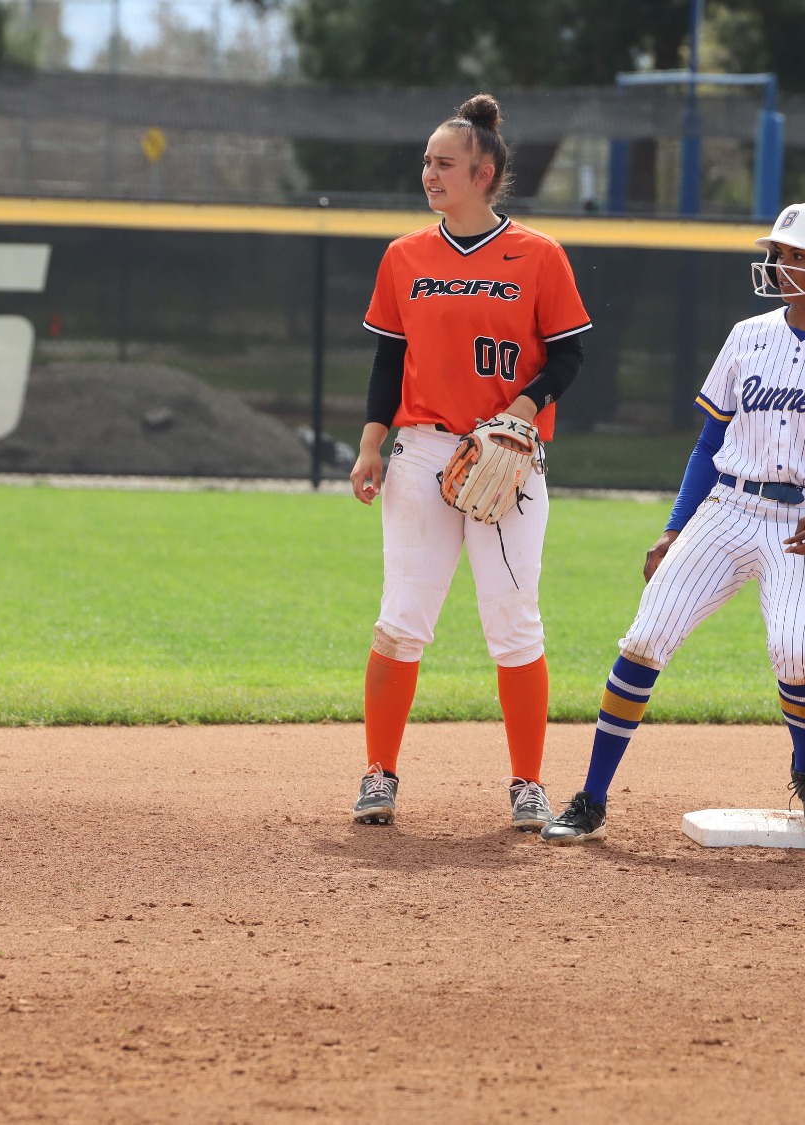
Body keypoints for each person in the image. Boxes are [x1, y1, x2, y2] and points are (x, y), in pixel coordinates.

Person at [539, 202, 805, 845]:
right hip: (726, 510)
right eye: (780, 253)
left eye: (796, 256)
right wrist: (675, 527)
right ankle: (591, 798)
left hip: (804, 522)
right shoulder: (748, 335)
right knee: (644, 640)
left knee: (796, 653)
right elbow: (709, 445)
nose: (780, 265)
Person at [348, 93, 591, 830]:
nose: (429, 173)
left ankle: (527, 784)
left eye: (444, 163)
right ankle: (380, 773)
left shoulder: (539, 256)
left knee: (514, 623)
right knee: (401, 619)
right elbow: (389, 361)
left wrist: (521, 412)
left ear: (484, 172)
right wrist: (370, 444)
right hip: (422, 450)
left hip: (507, 454)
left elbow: (569, 354)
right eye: (426, 162)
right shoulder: (405, 257)